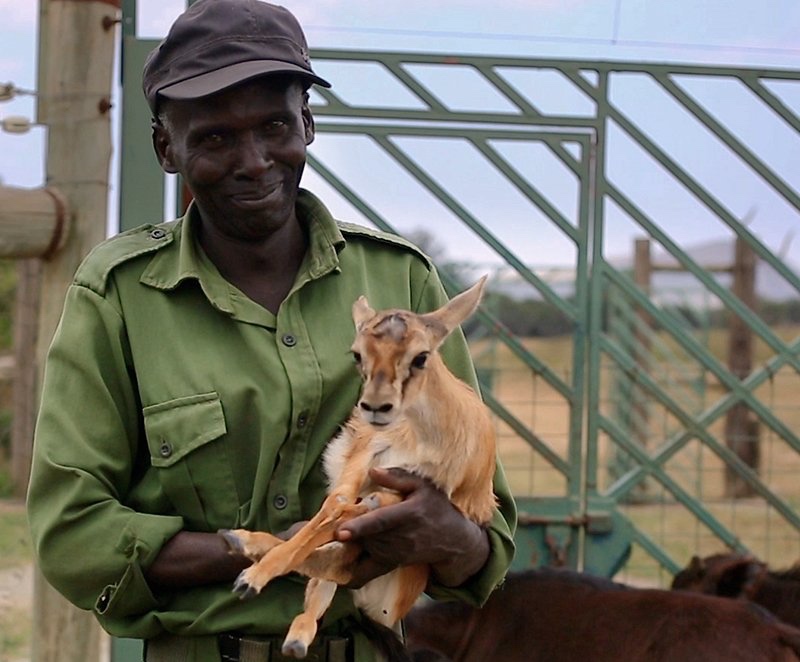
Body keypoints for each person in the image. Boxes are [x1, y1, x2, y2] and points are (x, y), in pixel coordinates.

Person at [26, 1, 517, 661]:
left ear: (307, 123)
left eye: (275, 126)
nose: (254, 161)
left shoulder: (401, 282)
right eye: (215, 138)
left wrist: (445, 535)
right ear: (166, 147)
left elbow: (486, 536)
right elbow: (73, 535)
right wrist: (273, 549)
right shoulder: (118, 297)